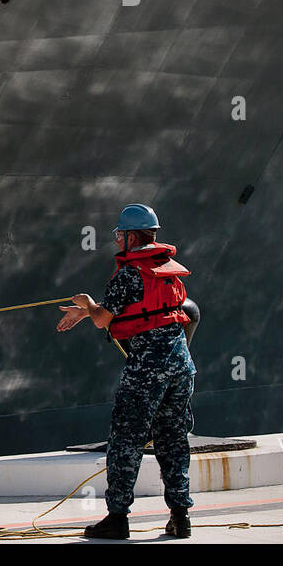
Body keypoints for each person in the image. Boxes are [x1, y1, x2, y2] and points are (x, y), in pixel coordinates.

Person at [57, 203, 195, 540]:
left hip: (148, 367)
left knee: (126, 440)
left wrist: (87, 304)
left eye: (120, 235)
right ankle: (181, 517)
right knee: (173, 439)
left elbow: (105, 318)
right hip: (181, 363)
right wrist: (87, 313)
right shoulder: (168, 268)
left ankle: (117, 518)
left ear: (132, 236)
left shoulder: (128, 275)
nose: (119, 241)